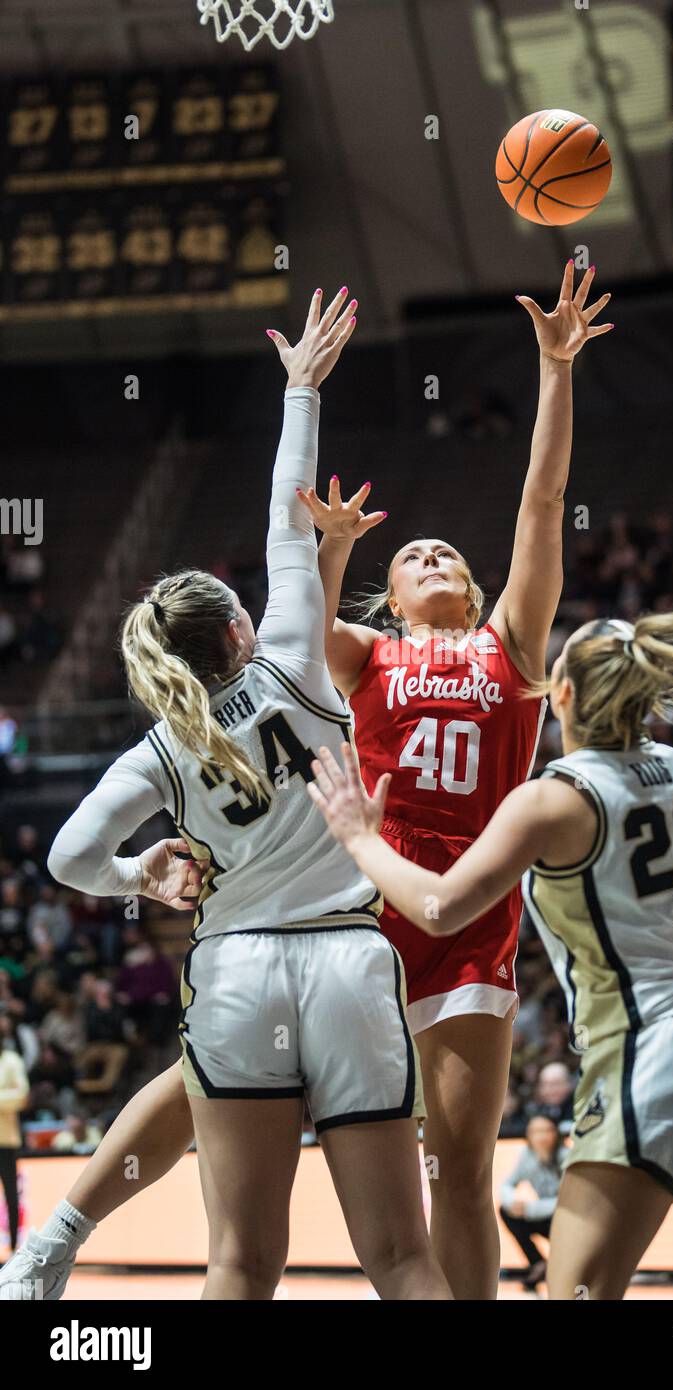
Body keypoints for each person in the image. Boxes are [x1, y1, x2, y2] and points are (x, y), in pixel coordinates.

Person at [0, 260, 613, 1304]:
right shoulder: (357, 654)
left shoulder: (509, 645)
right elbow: (282, 618)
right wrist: (328, 543)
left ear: (468, 588)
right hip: (362, 914)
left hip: (457, 925)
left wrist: (555, 371)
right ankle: (60, 1230)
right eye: (409, 548)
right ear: (385, 592)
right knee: (230, 1117)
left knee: (453, 1177)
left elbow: (542, 502)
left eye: (442, 552)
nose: (425, 549)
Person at [308, 599, 673, 1300]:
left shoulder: (551, 798)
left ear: (565, 695)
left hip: (653, 1052)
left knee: (574, 1293)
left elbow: (437, 908)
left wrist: (360, 839)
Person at [499, 1115, 567, 1289]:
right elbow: (507, 1184)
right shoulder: (527, 1156)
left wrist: (530, 1209)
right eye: (536, 1132)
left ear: (556, 1134)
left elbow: (568, 1201)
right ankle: (537, 1262)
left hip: (568, 1220)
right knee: (506, 1211)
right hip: (546, 1217)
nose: (542, 1136)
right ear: (528, 1136)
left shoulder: (566, 1156)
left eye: (546, 1130)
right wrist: (513, 1202)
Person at [0, 1018, 28, 1254]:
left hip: (6, 1139)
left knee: (10, 1192)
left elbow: (21, 1095)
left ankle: (13, 1246)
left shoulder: (12, 1061)